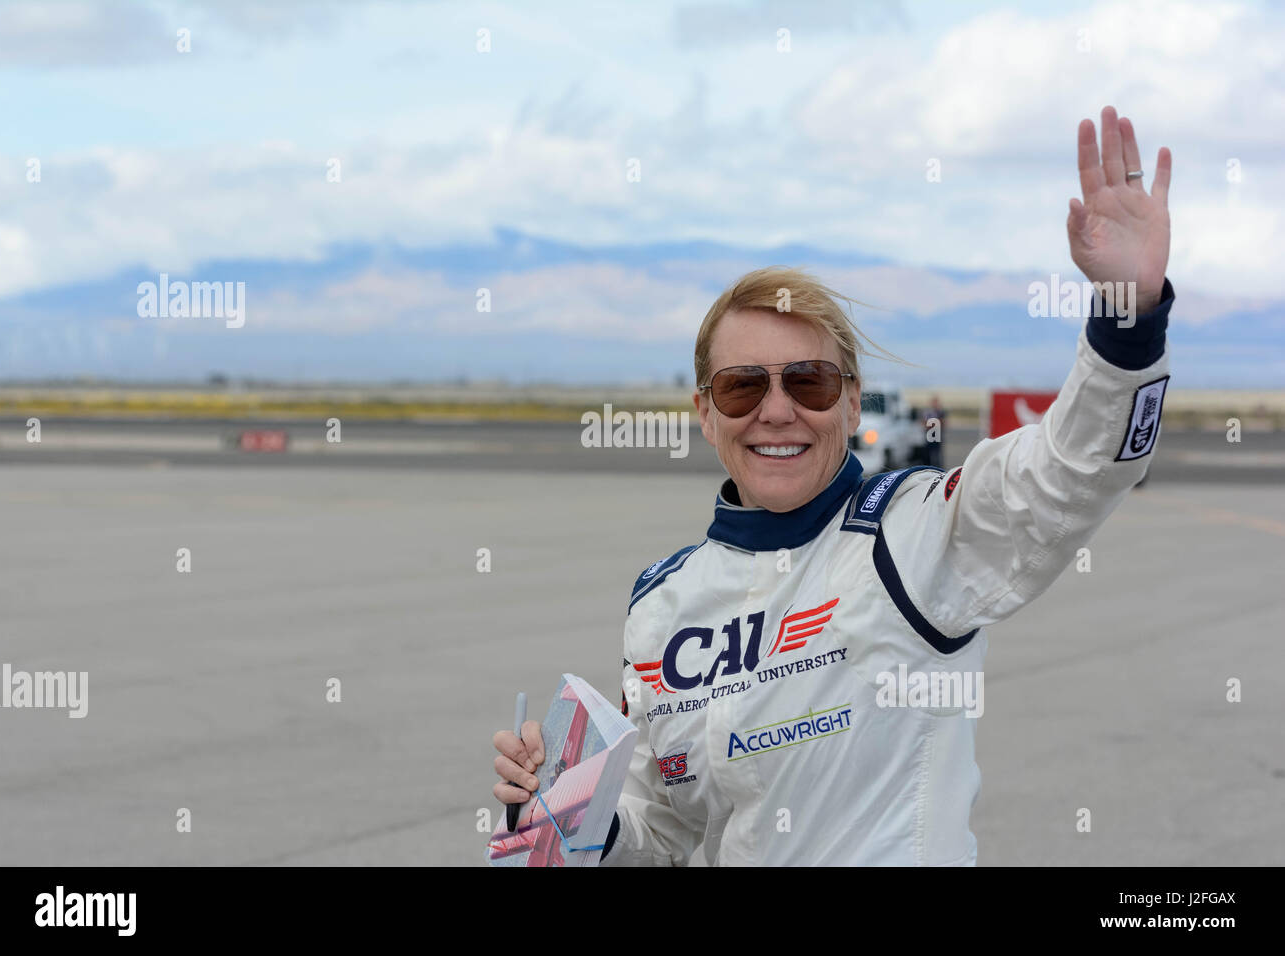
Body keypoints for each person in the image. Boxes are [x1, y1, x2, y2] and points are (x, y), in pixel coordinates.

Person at [491, 106, 1174, 865]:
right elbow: (666, 837)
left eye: (808, 382)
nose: (777, 410)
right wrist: (572, 816)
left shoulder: (917, 534)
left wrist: (1128, 315)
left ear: (850, 402)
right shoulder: (659, 608)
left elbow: (1074, 471)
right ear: (705, 413)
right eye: (743, 386)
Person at [922, 394, 946, 468]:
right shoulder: (928, 412)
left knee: (937, 454)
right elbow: (924, 423)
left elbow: (943, 423)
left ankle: (938, 468)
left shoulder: (940, 412)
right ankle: (928, 467)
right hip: (929, 434)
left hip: (937, 435)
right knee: (928, 453)